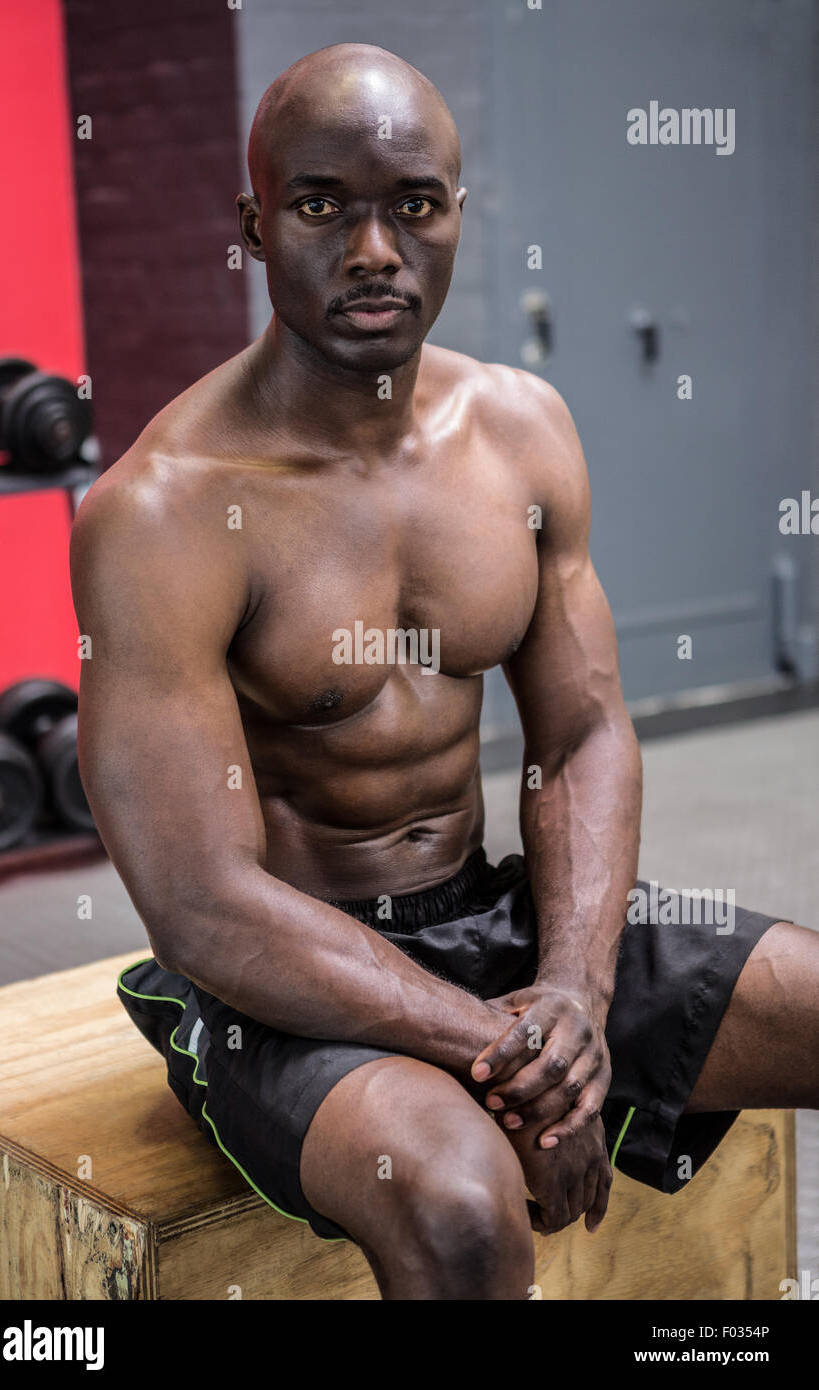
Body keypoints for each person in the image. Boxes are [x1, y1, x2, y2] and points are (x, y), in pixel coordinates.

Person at [70, 42, 819, 1301]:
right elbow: (200, 903)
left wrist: (569, 994)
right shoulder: (163, 513)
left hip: (493, 917)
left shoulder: (521, 431)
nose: (373, 251)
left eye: (410, 205)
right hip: (287, 985)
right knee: (464, 1212)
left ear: (458, 214)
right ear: (254, 225)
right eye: (322, 206)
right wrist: (506, 1050)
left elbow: (578, 735)